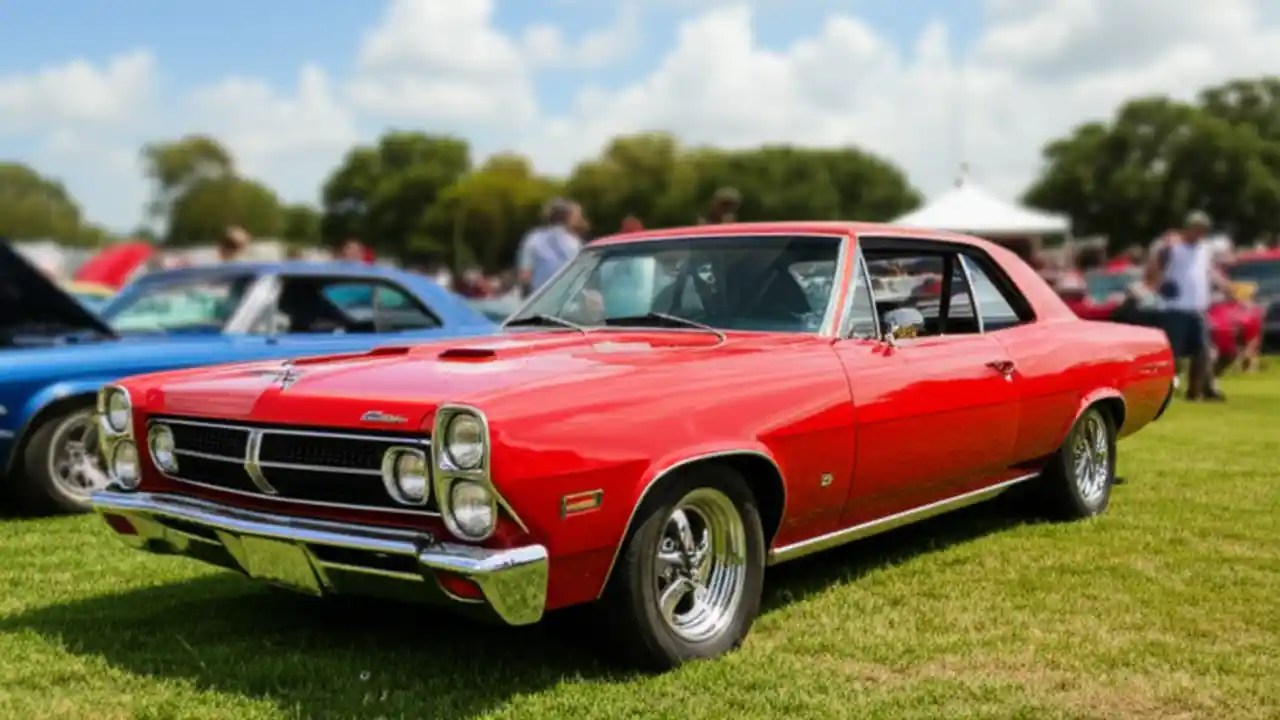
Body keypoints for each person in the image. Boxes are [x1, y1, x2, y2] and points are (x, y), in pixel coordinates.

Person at [1149, 210, 1232, 401]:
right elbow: (1155, 268)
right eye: (1197, 229)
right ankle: (1163, 390)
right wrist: (1157, 285)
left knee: (1202, 353)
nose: (1200, 233)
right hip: (1175, 307)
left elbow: (1209, 271)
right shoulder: (1172, 248)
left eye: (1203, 229)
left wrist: (1226, 287)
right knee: (1174, 354)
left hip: (1198, 307)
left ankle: (1195, 392)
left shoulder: (1204, 248)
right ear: (1188, 228)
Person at [518, 199, 583, 296]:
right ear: (568, 218)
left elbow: (525, 274)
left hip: (540, 298)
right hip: (567, 298)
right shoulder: (573, 242)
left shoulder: (533, 238)